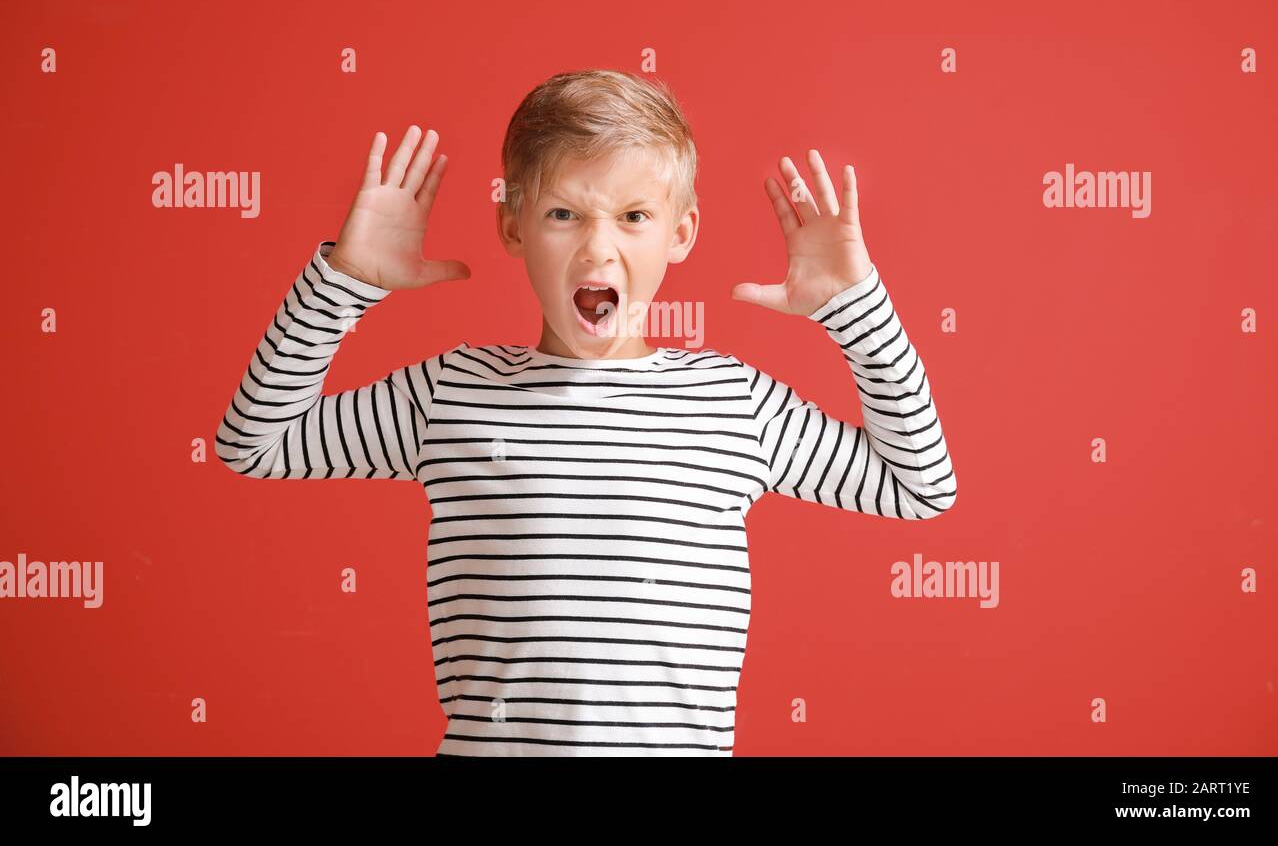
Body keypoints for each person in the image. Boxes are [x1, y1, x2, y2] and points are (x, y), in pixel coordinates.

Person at [215, 69, 957, 755]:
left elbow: (920, 485)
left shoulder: (733, 403)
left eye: (634, 216)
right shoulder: (454, 394)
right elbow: (256, 442)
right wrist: (346, 283)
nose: (598, 248)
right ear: (512, 228)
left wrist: (854, 312)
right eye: (564, 213)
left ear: (681, 234)